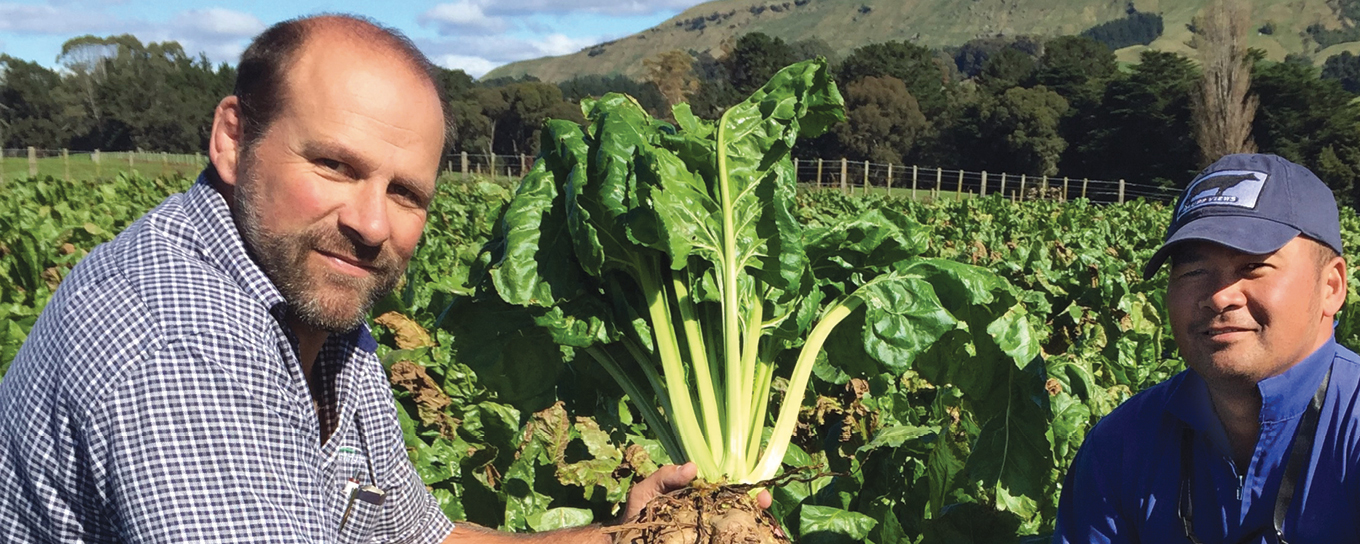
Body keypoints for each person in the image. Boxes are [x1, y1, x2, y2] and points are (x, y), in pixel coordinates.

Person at [0, 14, 753, 543]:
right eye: (334, 165)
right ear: (233, 139)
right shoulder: (182, 345)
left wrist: (634, 539)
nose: (371, 222)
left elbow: (416, 537)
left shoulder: (321, 310)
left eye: (405, 193)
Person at [1053, 153, 1359, 542]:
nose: (1219, 297)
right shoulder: (1121, 446)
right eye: (1194, 272)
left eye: (1252, 267)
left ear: (1331, 286)